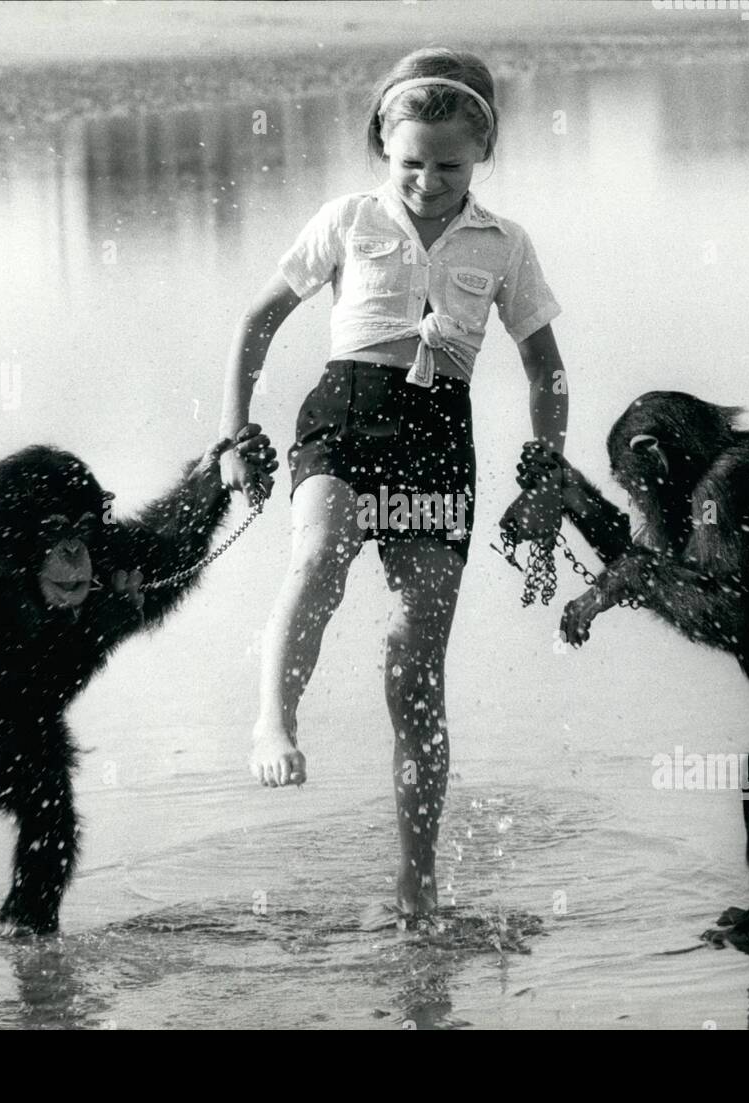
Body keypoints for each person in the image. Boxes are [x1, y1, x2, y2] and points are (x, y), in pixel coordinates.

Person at [218, 47, 568, 923]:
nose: (427, 180)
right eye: (411, 162)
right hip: (343, 416)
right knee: (322, 555)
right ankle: (274, 720)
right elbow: (256, 321)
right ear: (384, 146)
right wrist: (233, 436)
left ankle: (418, 882)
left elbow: (545, 369)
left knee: (417, 661)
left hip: (438, 441)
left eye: (448, 165)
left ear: (480, 159)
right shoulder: (347, 219)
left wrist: (546, 468)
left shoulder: (505, 243)